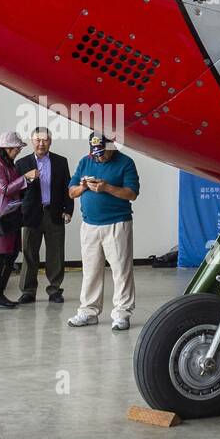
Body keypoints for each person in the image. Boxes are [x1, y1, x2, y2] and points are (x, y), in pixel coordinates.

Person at [66, 134, 140, 331]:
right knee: (90, 271)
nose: (98, 158)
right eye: (95, 154)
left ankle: (122, 314)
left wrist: (107, 187)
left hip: (117, 224)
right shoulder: (85, 161)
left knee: (121, 271)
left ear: (113, 146)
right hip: (89, 225)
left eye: (102, 153)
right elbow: (71, 192)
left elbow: (132, 193)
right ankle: (88, 312)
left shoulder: (126, 163)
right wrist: (82, 187)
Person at [16, 126, 73, 304]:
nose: (41, 143)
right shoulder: (22, 163)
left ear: (50, 142)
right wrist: (26, 178)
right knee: (29, 253)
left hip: (54, 212)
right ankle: (28, 291)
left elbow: (67, 188)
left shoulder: (61, 162)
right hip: (31, 214)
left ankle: (55, 290)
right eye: (37, 140)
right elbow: (16, 191)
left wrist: (68, 210)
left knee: (55, 253)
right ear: (32, 141)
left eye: (45, 140)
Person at [0, 132, 37, 311]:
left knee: (9, 255)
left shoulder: (7, 163)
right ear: (6, 148)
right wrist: (26, 178)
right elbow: (4, 189)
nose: (18, 151)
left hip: (9, 217)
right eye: (16, 148)